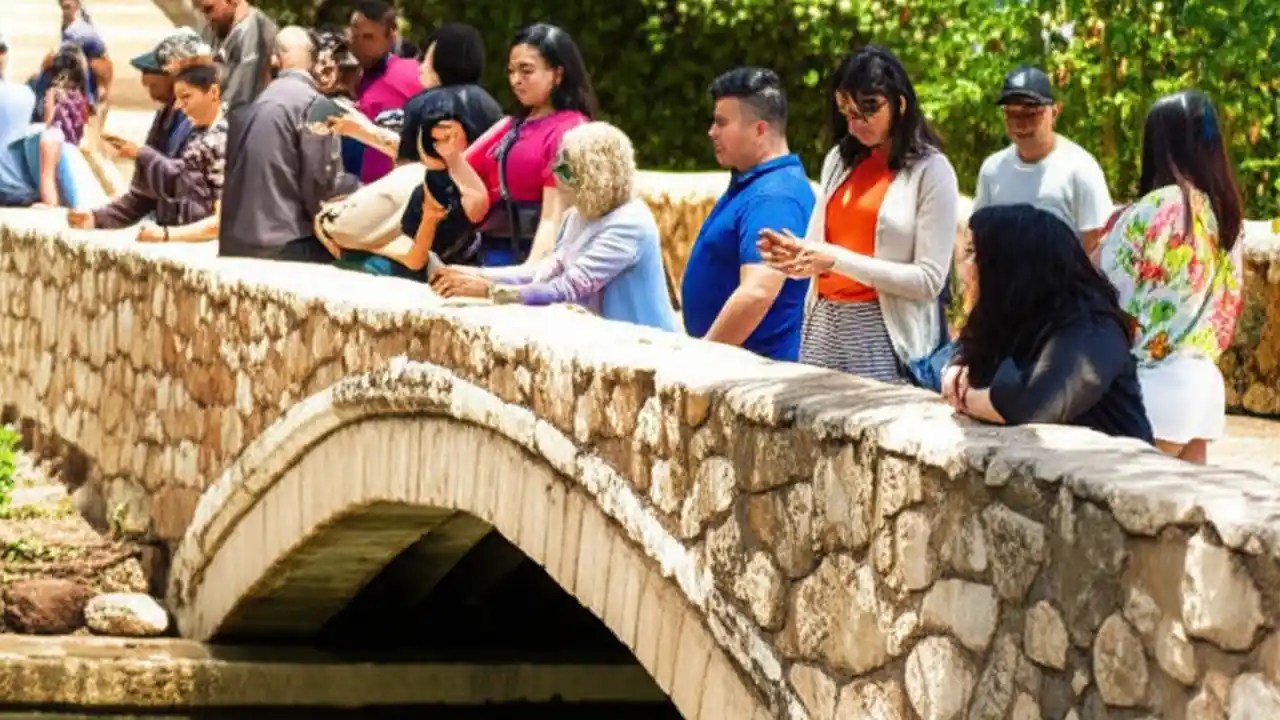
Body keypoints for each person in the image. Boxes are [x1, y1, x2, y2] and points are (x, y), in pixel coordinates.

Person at [756, 47, 958, 384]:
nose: (856, 124)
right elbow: (820, 249)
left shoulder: (931, 171)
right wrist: (793, 256)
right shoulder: (839, 160)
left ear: (901, 104)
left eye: (868, 109)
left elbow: (928, 281)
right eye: (847, 113)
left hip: (883, 333)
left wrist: (835, 259)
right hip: (823, 325)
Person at [1098, 91, 1244, 464]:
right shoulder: (1226, 216)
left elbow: (1108, 296)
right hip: (1204, 384)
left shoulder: (1153, 209)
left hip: (1153, 387)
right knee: (1186, 513)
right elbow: (1231, 301)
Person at [431, 122, 678, 331]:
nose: (555, 175)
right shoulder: (578, 216)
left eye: (565, 168)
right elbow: (546, 270)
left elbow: (569, 286)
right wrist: (471, 274)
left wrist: (490, 291)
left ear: (594, 175)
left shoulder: (629, 224)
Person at [941, 204, 1152, 443]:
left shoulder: (1093, 332)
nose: (965, 269)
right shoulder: (1021, 318)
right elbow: (969, 358)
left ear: (1011, 270)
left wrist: (965, 397)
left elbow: (1031, 404)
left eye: (975, 256)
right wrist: (955, 368)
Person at [680, 67, 814, 361]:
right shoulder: (758, 184)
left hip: (753, 372)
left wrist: (700, 359)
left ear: (760, 130)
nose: (711, 132)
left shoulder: (775, 196)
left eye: (721, 123)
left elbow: (758, 292)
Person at [218, 26, 357, 261]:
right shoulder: (316, 104)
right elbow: (321, 186)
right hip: (286, 244)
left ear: (276, 60)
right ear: (316, 61)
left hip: (236, 244)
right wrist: (361, 191)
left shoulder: (249, 104)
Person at [465, 23, 596, 267]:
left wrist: (527, 280)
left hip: (524, 259)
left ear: (557, 74)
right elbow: (455, 168)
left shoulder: (571, 132)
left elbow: (553, 217)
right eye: (511, 71)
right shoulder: (510, 126)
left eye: (526, 71)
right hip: (483, 252)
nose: (515, 80)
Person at [321, 107, 489, 277]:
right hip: (437, 257)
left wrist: (323, 219)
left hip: (390, 264)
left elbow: (414, 259)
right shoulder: (446, 180)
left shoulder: (412, 182)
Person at [972, 65, 1113, 254]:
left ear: (1054, 112)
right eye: (1012, 115)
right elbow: (978, 239)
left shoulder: (1080, 169)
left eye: (1031, 114)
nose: (1021, 124)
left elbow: (1097, 247)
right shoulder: (992, 170)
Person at [68, 29, 199, 230]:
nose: (152, 95)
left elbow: (187, 182)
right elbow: (143, 195)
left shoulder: (202, 121)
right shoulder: (164, 117)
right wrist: (97, 218)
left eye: (154, 86)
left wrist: (142, 154)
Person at [99, 62, 227, 242]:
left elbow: (223, 219)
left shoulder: (224, 138)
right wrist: (97, 218)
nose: (180, 107)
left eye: (186, 97)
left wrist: (166, 235)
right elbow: (178, 182)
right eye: (178, 99)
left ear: (213, 93)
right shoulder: (194, 131)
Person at [0, 71, 101, 208]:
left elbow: (49, 193)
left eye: (46, 101)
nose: (43, 104)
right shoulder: (56, 139)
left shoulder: (46, 137)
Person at [348, 0, 421, 183]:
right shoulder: (343, 79)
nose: (359, 46)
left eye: (368, 37)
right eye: (355, 37)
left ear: (391, 36)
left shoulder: (412, 75)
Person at [196, 0, 278, 111]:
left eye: (210, 9)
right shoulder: (216, 27)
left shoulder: (252, 28)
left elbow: (244, 87)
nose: (208, 17)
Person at [55, 0, 112, 117]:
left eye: (67, 8)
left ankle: (89, 100)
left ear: (76, 5)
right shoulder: (75, 25)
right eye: (63, 7)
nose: (64, 12)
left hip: (93, 63)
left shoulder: (75, 31)